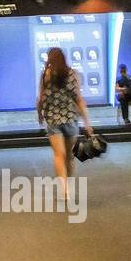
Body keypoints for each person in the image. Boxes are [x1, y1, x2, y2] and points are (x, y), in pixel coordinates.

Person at [38, 47, 93, 199]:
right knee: (68, 156)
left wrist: (39, 115)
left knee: (59, 155)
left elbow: (40, 99)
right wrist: (87, 123)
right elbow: (79, 99)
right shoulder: (73, 74)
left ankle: (64, 188)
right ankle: (66, 185)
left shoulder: (45, 76)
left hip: (53, 120)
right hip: (71, 120)